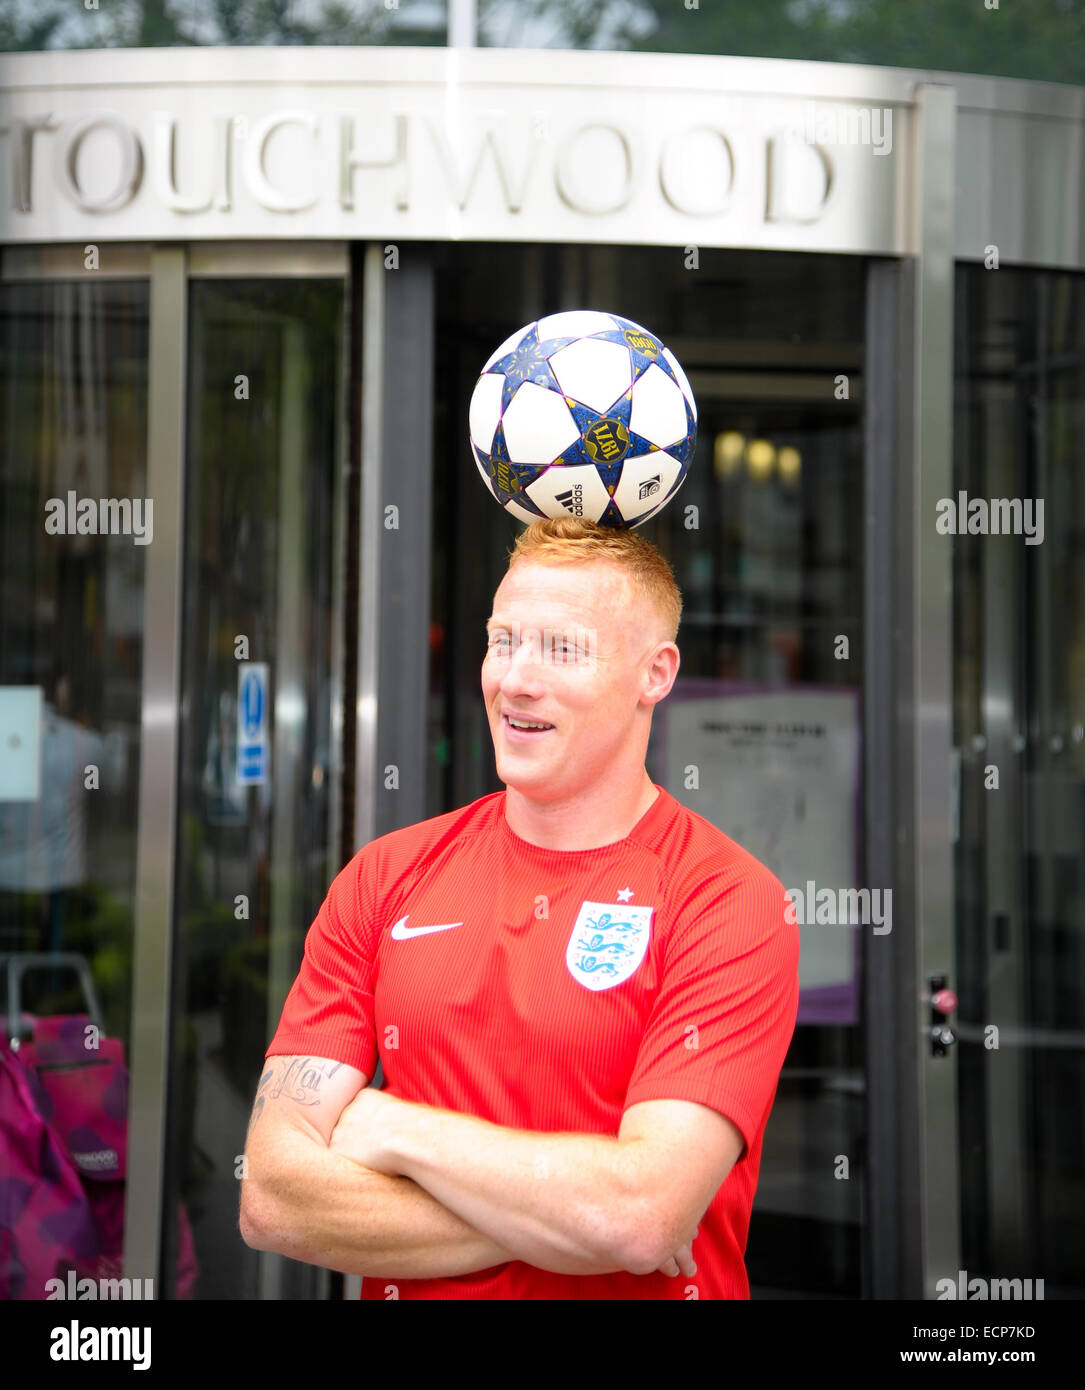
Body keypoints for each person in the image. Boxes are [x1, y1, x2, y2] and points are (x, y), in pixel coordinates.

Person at [240, 517, 799, 1299]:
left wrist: (389, 1127)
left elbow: (641, 1218)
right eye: (503, 641)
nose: (515, 679)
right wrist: (576, 1221)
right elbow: (273, 1199)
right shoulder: (384, 876)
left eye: (561, 649)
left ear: (656, 673)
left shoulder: (727, 902)